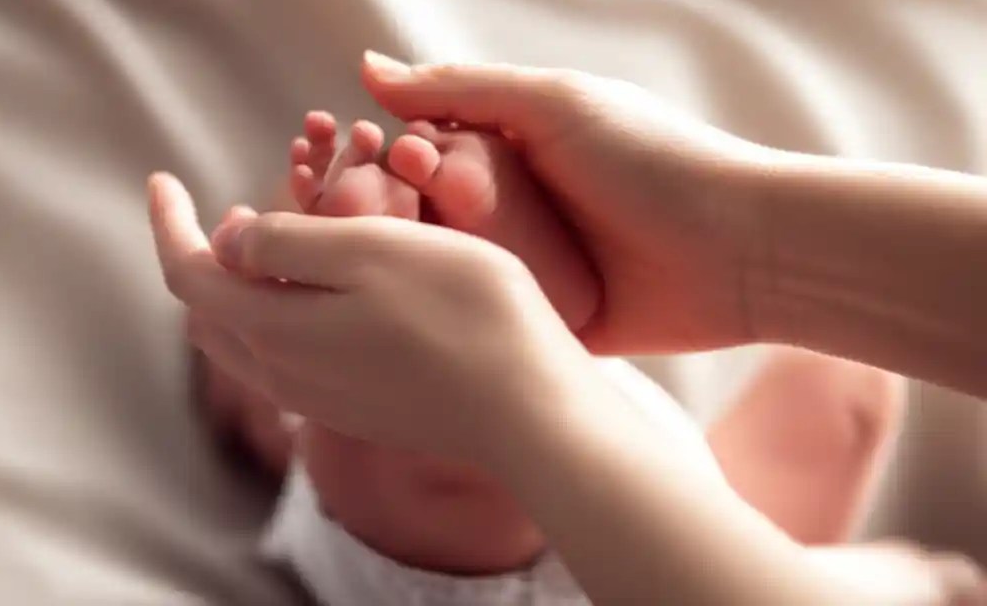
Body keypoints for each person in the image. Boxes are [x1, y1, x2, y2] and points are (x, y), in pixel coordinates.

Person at [152, 52, 987, 604]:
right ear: (260, 452)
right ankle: (442, 307)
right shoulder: (345, 514)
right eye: (256, 359)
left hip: (716, 548)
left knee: (747, 472)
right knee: (406, 451)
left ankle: (459, 295)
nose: (276, 349)